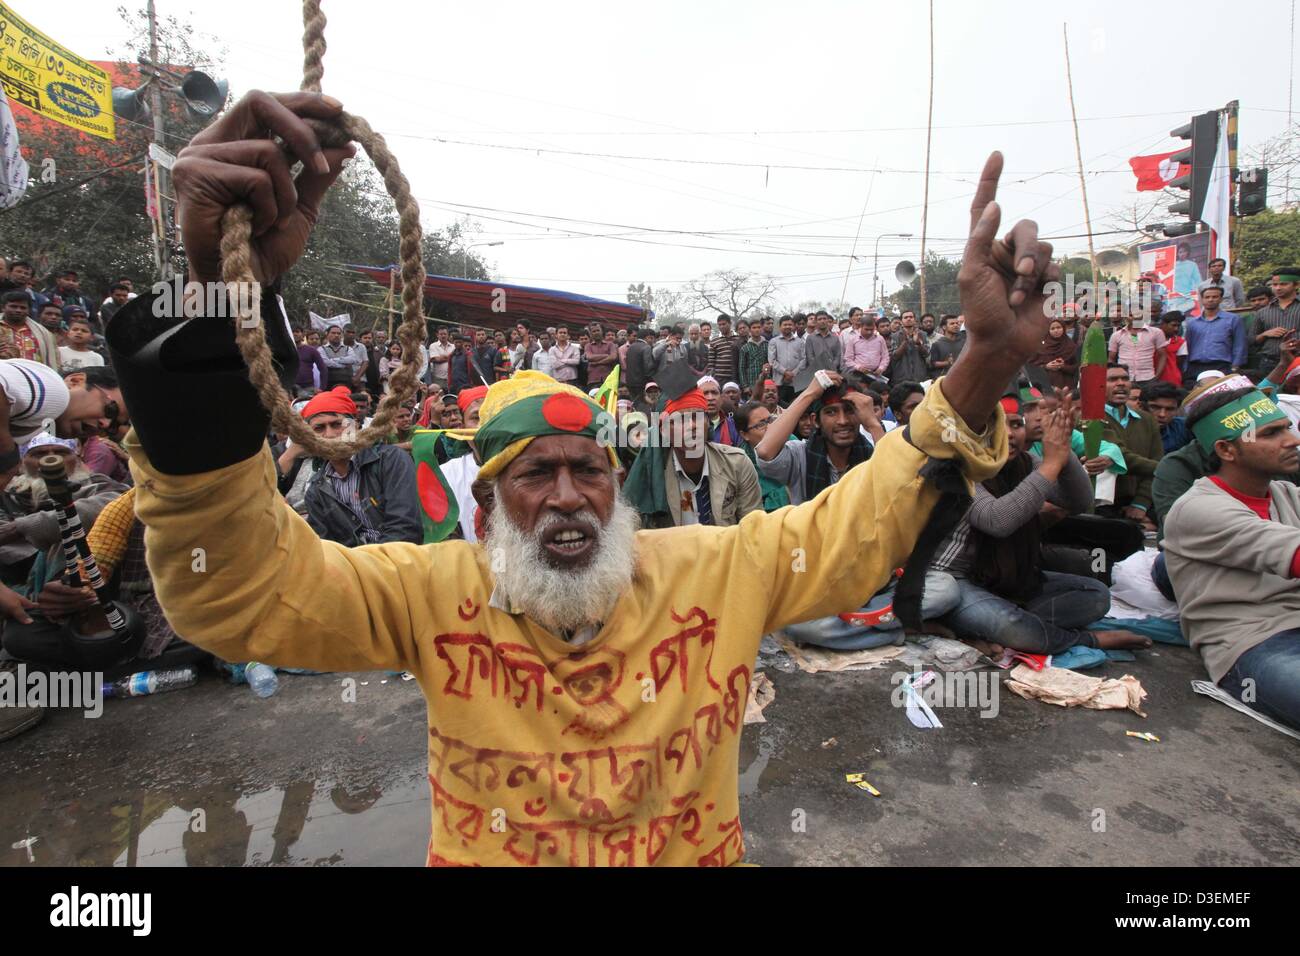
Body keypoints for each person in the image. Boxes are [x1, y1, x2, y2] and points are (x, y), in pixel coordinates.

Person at [110, 95, 1053, 865]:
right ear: (485, 506)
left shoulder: (714, 570)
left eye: (587, 470)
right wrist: (213, 297)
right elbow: (235, 596)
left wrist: (983, 365)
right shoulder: (429, 593)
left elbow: (856, 532)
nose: (567, 494)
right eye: (534, 476)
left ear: (615, 484)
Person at [932, 392, 1147, 656]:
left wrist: (1062, 452)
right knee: (1007, 624)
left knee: (1096, 594)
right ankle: (1085, 640)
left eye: (1015, 424)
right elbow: (997, 521)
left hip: (1010, 580)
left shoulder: (1025, 463)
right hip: (954, 580)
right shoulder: (955, 468)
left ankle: (986, 625)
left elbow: (1078, 502)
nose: (1009, 434)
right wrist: (1052, 463)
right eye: (996, 425)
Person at [1164, 379, 1300, 730]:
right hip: (1255, 644)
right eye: (1271, 433)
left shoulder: (1286, 493)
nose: (1292, 440)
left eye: (1287, 427)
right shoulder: (1197, 508)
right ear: (1226, 450)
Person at [289, 387, 421, 547]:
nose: (329, 435)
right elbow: (325, 547)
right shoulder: (316, 491)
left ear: (355, 426)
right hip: (351, 568)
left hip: (398, 561)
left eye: (337, 424)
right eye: (319, 428)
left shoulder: (391, 461)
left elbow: (405, 529)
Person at [621, 383, 762, 529]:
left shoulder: (737, 464)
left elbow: (753, 531)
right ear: (663, 430)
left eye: (697, 417)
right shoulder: (651, 476)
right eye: (680, 419)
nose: (692, 425)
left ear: (708, 422)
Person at [753, 371, 882, 505]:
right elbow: (765, 451)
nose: (843, 421)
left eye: (849, 411)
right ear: (816, 421)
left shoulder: (874, 452)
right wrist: (809, 394)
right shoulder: (801, 456)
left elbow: (893, 480)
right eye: (831, 412)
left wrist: (873, 424)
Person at [1099, 364, 1163, 530]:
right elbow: (1120, 455)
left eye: (1125, 379)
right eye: (1112, 379)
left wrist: (1141, 502)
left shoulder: (1147, 419)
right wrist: (1165, 468)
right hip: (1103, 506)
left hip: (1139, 503)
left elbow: (1156, 458)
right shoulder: (1090, 418)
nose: (1121, 383)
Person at [733, 402, 789, 512]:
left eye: (771, 420)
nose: (770, 427)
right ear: (744, 435)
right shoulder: (739, 464)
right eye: (761, 424)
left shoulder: (791, 442)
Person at [1183, 286, 1245, 381]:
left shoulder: (1233, 319)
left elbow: (1239, 345)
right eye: (1207, 297)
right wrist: (1185, 368)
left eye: (1215, 297)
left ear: (1221, 299)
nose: (1210, 300)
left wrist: (1235, 366)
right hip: (1195, 367)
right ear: (1202, 299)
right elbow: (1188, 346)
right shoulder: (1192, 323)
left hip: (1222, 366)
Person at [1253, 267, 1300, 374]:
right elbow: (1252, 340)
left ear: (1296, 285)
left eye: (1283, 284)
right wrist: (1265, 334)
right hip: (1269, 363)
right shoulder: (1263, 312)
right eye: (1275, 285)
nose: (1278, 288)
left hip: (1297, 361)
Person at [1108, 309, 1167, 388]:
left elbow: (1163, 355)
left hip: (1148, 377)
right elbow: (1111, 358)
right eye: (1130, 315)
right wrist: (1115, 375)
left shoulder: (1156, 332)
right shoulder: (1117, 335)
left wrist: (1156, 377)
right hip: (1125, 377)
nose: (1134, 318)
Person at [0, 291, 59, 368]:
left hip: (34, 377)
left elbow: (54, 360)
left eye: (23, 308)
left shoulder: (43, 334)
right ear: (3, 307)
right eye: (13, 306)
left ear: (29, 310)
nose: (18, 310)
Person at [1143, 381, 1192, 453]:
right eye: (1155, 407)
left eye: (1170, 409)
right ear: (1141, 406)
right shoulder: (1127, 429)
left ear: (1177, 410)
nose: (1162, 414)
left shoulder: (1184, 427)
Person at [767, 316, 804, 405]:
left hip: (796, 382)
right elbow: (772, 360)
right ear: (780, 327)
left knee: (795, 406)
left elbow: (804, 359)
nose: (787, 326)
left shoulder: (800, 342)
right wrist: (785, 372)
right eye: (785, 325)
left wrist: (793, 373)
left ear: (793, 326)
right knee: (780, 406)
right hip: (779, 382)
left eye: (790, 324)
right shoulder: (774, 341)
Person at [842, 314, 890, 379]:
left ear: (874, 327)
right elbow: (848, 359)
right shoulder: (853, 340)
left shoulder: (880, 339)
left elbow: (885, 357)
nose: (869, 332)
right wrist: (858, 367)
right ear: (861, 327)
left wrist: (881, 368)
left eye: (871, 329)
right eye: (866, 329)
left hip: (876, 374)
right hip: (858, 375)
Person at [888, 311, 930, 384]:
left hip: (919, 377)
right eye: (906, 317)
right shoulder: (894, 336)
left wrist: (918, 344)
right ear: (901, 321)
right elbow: (894, 357)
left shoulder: (923, 335)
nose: (908, 319)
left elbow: (927, 354)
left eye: (911, 317)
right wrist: (905, 342)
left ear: (915, 320)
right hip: (901, 378)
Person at [697, 376, 739, 446]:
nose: (710, 398)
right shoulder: (689, 426)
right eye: (705, 393)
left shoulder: (734, 426)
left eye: (714, 393)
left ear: (721, 398)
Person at [738, 321, 770, 398]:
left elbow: (771, 363)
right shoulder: (745, 348)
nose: (757, 330)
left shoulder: (768, 345)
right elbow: (741, 368)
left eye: (759, 327)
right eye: (754, 328)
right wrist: (745, 386)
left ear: (762, 329)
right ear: (749, 330)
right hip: (751, 383)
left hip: (767, 382)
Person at [707, 315, 740, 383]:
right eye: (720, 325)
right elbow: (711, 363)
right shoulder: (714, 341)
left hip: (736, 377)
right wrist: (712, 378)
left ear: (730, 323)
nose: (722, 326)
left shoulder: (738, 338)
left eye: (724, 324)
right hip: (719, 378)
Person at [293, 327, 328, 393]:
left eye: (297, 332)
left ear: (303, 335)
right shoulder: (286, 351)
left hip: (308, 388)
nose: (295, 334)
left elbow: (323, 369)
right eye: (292, 332)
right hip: (290, 388)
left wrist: (322, 388)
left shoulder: (311, 350)